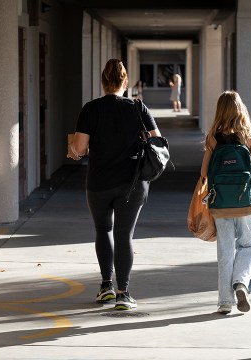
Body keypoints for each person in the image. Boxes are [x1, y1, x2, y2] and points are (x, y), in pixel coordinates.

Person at [67, 59, 161, 310]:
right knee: (123, 235)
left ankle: (106, 286)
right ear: (125, 81)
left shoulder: (90, 109)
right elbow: (158, 142)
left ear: (103, 81)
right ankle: (124, 293)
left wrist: (73, 151)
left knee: (103, 230)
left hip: (99, 181)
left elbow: (80, 148)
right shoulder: (138, 108)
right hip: (132, 182)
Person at [199, 90, 251, 315]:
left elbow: (204, 174)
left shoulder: (212, 137)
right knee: (247, 245)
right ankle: (240, 282)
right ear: (241, 110)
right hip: (245, 202)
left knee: (225, 251)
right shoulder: (249, 136)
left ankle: (225, 301)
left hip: (220, 203)